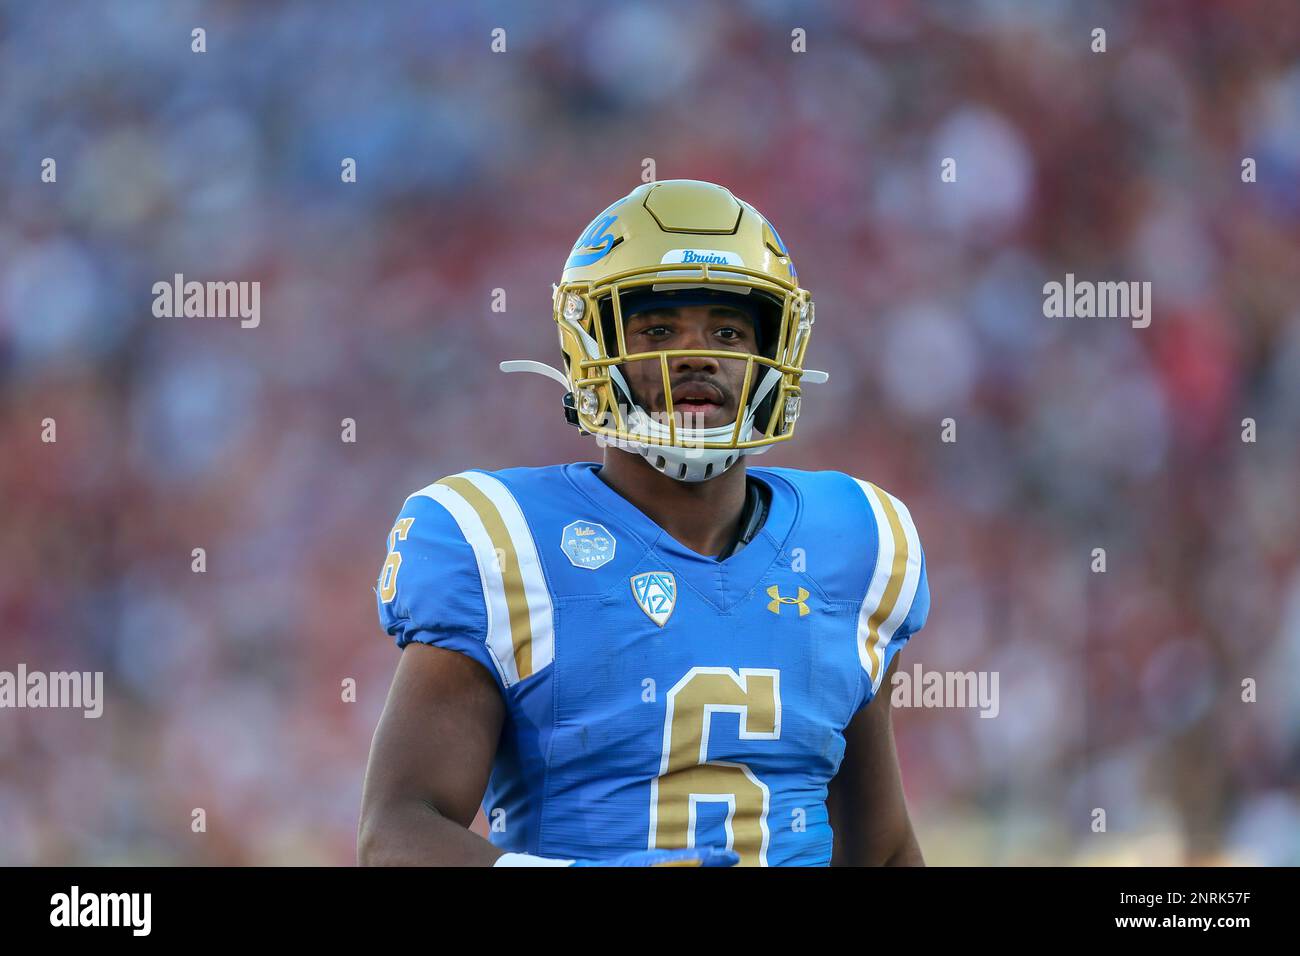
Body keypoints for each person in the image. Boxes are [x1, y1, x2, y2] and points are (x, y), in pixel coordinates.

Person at [358, 179, 930, 866]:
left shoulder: (855, 543)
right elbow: (397, 831)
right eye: (659, 329)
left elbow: (882, 848)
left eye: (728, 330)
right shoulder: (502, 542)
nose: (698, 354)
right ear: (590, 350)